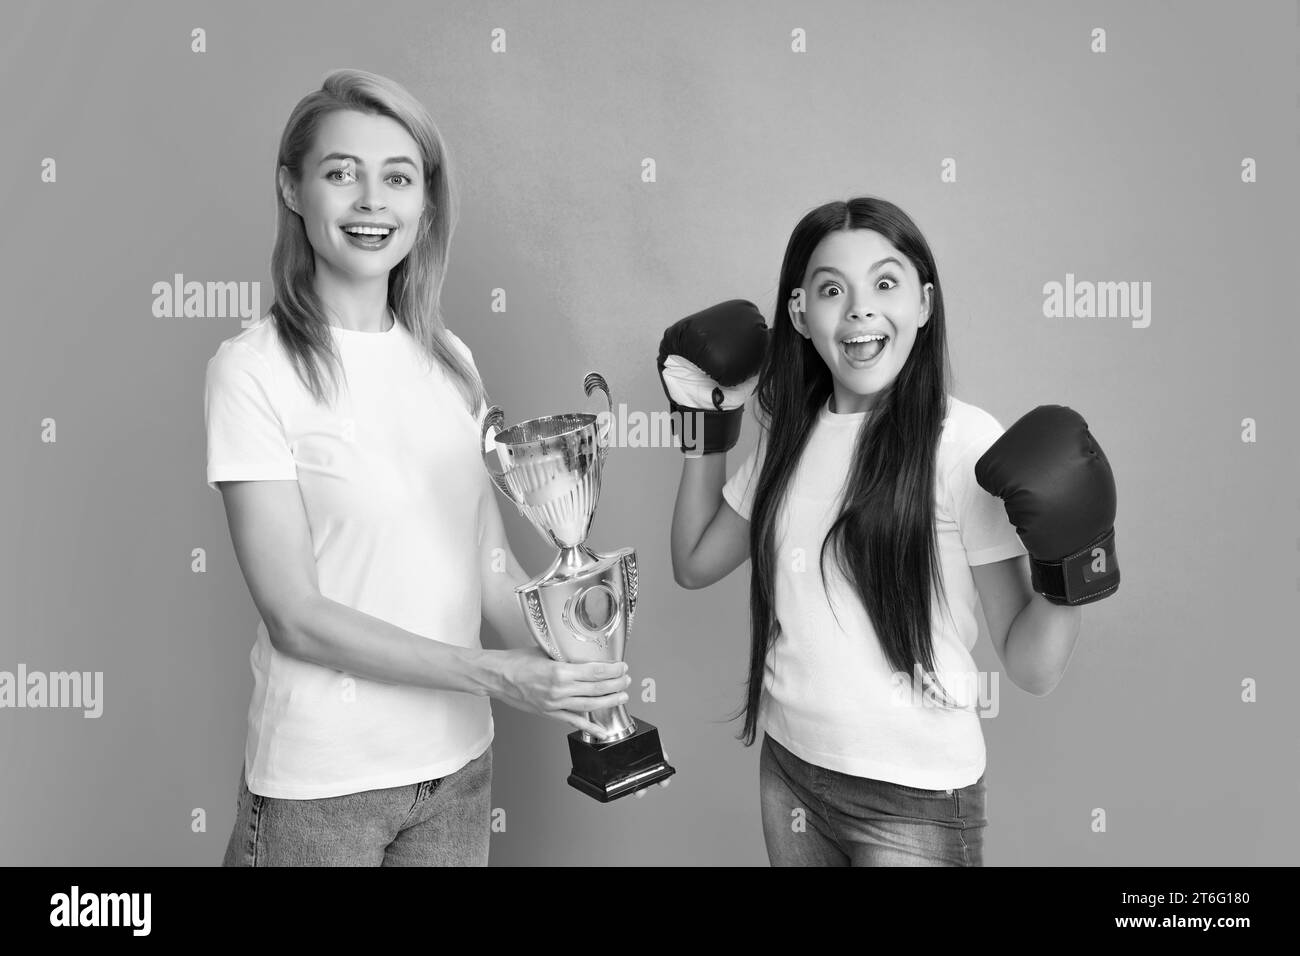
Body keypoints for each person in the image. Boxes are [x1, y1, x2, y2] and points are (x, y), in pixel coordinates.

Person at [204, 69, 630, 867]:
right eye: (342, 174)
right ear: (292, 189)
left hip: (456, 773)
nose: (372, 201)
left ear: (425, 205)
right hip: (321, 787)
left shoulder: (450, 362)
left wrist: (571, 677)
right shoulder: (252, 370)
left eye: (397, 177)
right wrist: (496, 675)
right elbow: (295, 613)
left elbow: (489, 565)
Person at [660, 196, 1118, 866]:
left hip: (914, 798)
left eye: (884, 283)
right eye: (831, 290)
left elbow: (1030, 666)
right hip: (789, 771)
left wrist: (1078, 559)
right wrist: (704, 422)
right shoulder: (789, 434)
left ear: (924, 304)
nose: (859, 309)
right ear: (799, 314)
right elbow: (695, 562)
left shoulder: (962, 444)